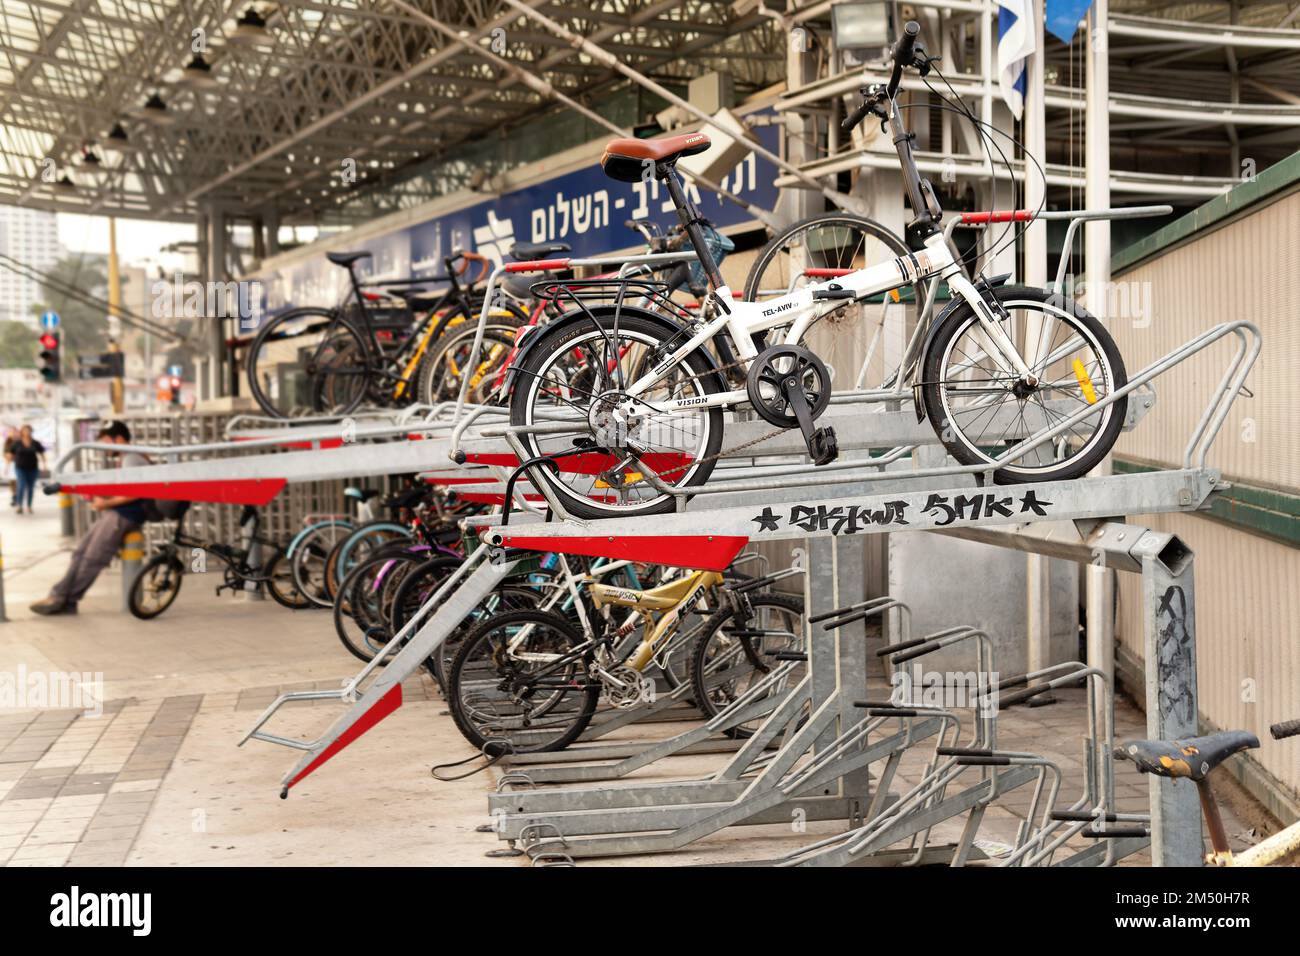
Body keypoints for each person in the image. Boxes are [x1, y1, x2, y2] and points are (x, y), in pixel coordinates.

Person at [30, 421, 148, 616]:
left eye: (106, 441)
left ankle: (66, 599)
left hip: (124, 516)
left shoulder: (131, 458)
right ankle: (60, 596)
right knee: (81, 553)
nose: (104, 447)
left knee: (93, 558)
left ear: (118, 439)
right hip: (117, 513)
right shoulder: (128, 457)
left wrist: (105, 503)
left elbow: (136, 493)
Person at [8, 425, 46, 514]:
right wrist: (7, 465)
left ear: (31, 431)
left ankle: (29, 506)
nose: (27, 432)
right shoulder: (17, 443)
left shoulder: (35, 443)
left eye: (28, 430)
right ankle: (19, 505)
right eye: (25, 430)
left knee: (30, 488)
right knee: (21, 486)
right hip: (20, 468)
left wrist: (44, 465)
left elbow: (42, 453)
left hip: (33, 468)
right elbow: (10, 454)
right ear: (22, 432)